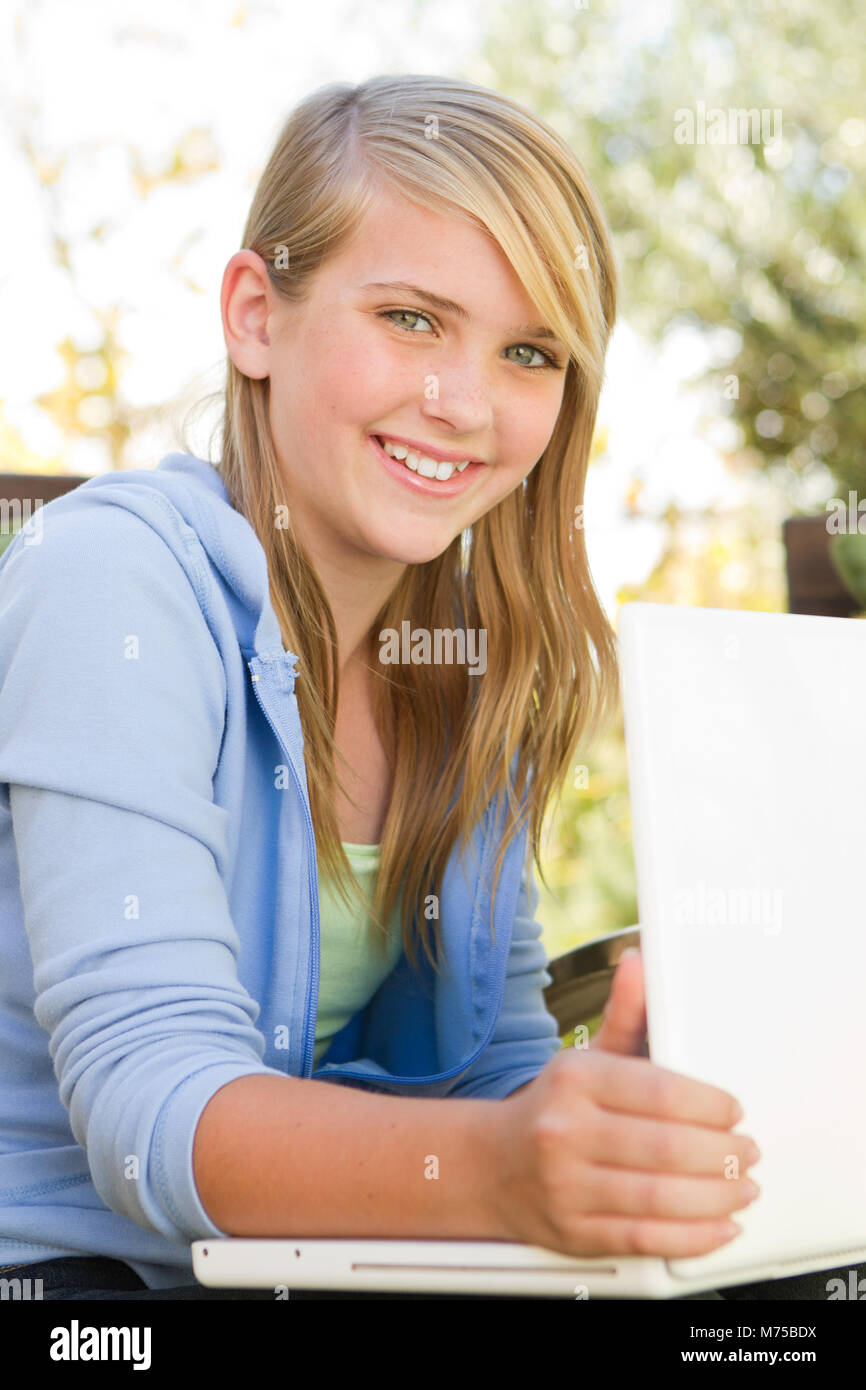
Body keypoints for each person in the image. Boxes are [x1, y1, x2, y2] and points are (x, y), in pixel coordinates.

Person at [0, 72, 775, 1302]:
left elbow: (489, 1072)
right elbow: (149, 1102)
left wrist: (625, 1135)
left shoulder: (474, 663)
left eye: (528, 351)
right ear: (255, 314)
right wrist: (495, 1169)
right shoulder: (114, 577)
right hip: (73, 1281)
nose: (463, 402)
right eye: (412, 319)